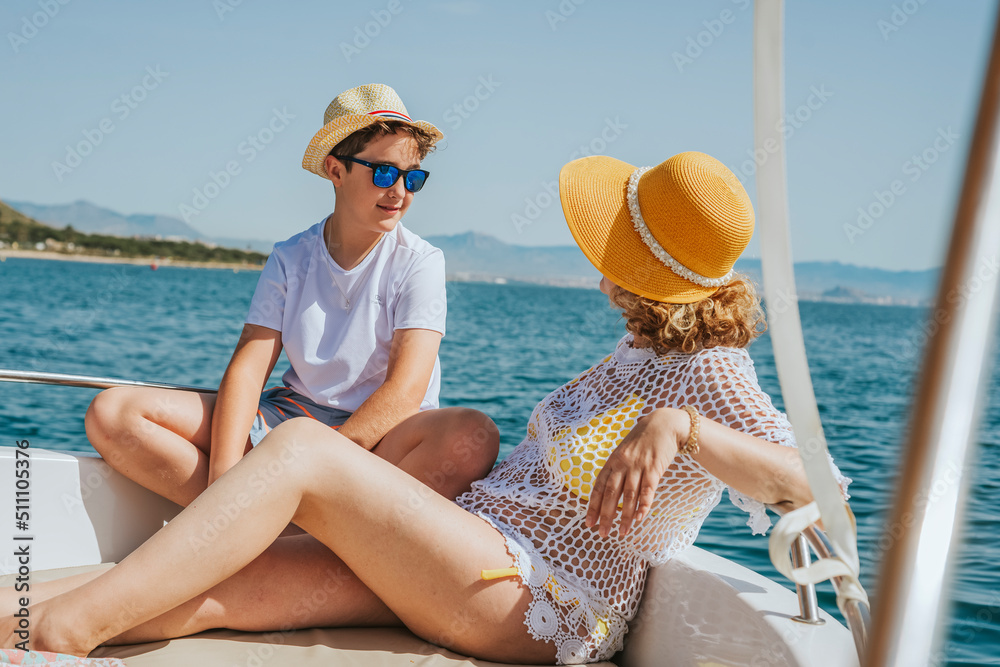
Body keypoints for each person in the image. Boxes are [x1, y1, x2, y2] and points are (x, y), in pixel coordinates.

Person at [2, 151, 849, 664]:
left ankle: (65, 637)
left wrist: (682, 430)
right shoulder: (642, 349)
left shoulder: (709, 370)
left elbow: (824, 489)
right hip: (476, 552)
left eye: (619, 246)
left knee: (300, 447)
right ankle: (26, 625)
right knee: (222, 588)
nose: (600, 259)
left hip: (538, 597)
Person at [84, 83, 498, 510]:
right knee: (113, 414)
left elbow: (405, 392)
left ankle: (276, 526)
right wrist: (222, 485)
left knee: (470, 434)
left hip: (381, 437)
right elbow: (249, 369)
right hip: (292, 418)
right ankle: (247, 526)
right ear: (336, 170)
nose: (400, 192)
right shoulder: (290, 257)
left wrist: (314, 462)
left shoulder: (420, 262)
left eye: (413, 178)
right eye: (384, 173)